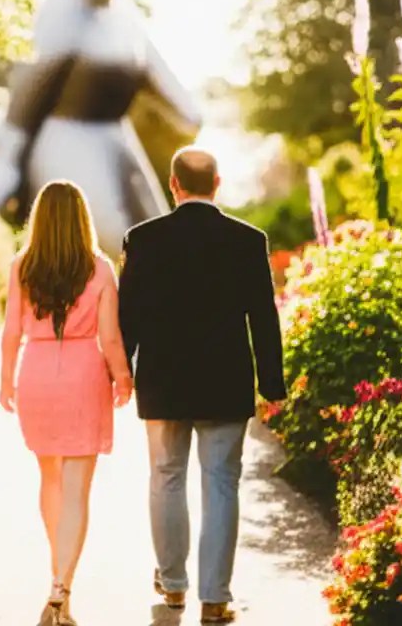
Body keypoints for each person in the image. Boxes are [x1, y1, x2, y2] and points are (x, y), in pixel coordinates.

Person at [118, 147, 287, 624]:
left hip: (163, 380)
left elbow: (126, 313)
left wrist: (121, 372)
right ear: (217, 184)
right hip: (225, 380)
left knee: (166, 478)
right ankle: (215, 597)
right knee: (221, 484)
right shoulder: (247, 240)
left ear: (174, 184)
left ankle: (173, 587)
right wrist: (272, 383)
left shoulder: (144, 239)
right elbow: (264, 317)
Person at [0, 0, 202, 256]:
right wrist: (8, 158)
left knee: (156, 228)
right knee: (111, 236)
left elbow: (157, 75)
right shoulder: (61, 12)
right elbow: (31, 89)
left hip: (116, 136)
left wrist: (187, 112)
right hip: (67, 136)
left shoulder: (126, 18)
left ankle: (158, 304)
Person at [0, 181, 134, 626]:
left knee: (49, 478)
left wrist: (6, 382)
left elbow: (11, 332)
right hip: (82, 375)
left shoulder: (23, 265)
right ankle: (61, 588)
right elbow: (111, 337)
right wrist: (123, 377)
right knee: (78, 488)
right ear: (82, 219)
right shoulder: (99, 270)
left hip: (36, 374)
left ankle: (57, 577)